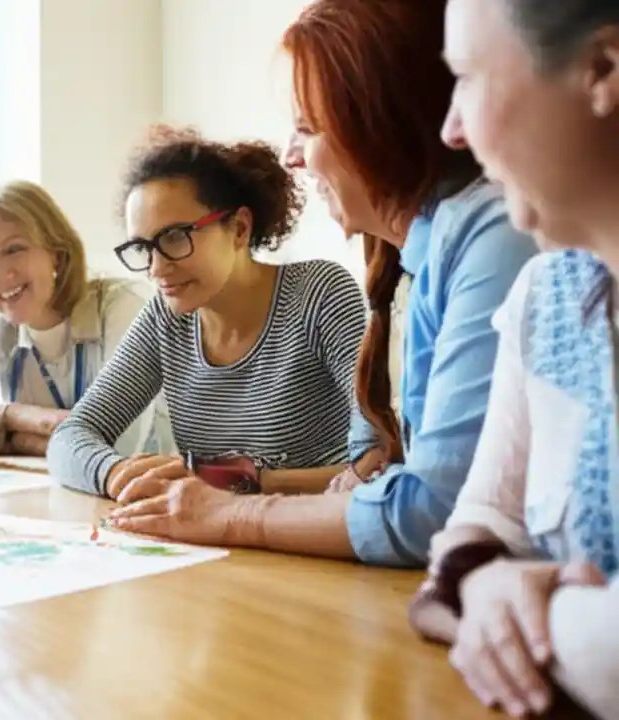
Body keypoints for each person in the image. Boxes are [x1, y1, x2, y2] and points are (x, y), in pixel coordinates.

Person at [106, 0, 538, 568]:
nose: (290, 157)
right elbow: (412, 484)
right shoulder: (429, 259)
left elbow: (428, 507)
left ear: (380, 128)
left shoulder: (487, 236)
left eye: (306, 129)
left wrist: (231, 513)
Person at [406, 1, 619, 717]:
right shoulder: (544, 292)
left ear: (603, 69)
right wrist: (482, 581)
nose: (451, 129)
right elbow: (479, 522)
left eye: (466, 77)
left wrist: (506, 608)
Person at [48, 128, 373, 499]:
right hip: (215, 538)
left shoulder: (319, 294)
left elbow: (377, 458)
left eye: (173, 237)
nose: (156, 268)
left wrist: (250, 482)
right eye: (143, 247)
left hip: (314, 540)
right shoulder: (165, 319)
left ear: (239, 228)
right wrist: (115, 472)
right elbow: (71, 435)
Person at [0, 180, 174, 458]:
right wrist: (15, 418)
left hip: (141, 497)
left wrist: (23, 443)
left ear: (56, 252)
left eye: (14, 249)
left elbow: (115, 447)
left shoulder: (124, 306)